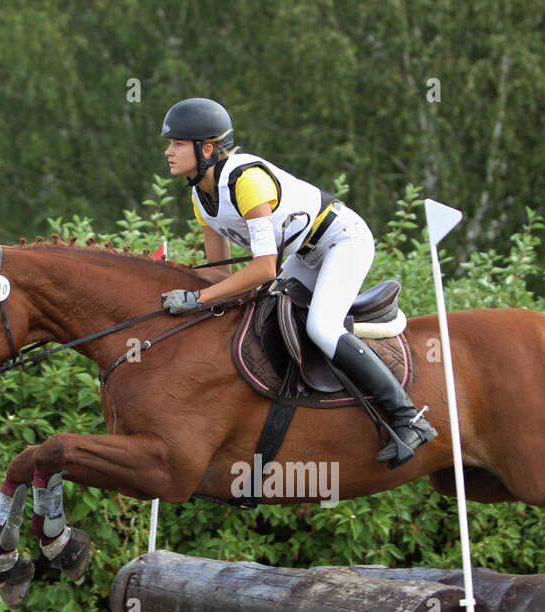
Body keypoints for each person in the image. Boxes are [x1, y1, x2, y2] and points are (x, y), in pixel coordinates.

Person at [158, 97, 436, 467]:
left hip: (342, 240)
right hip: (305, 254)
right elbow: (219, 273)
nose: (168, 152)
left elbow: (263, 270)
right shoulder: (200, 197)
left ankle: (409, 418)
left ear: (206, 148)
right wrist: (185, 296)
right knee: (257, 313)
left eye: (177, 143)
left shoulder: (247, 182)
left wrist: (197, 297)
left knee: (322, 327)